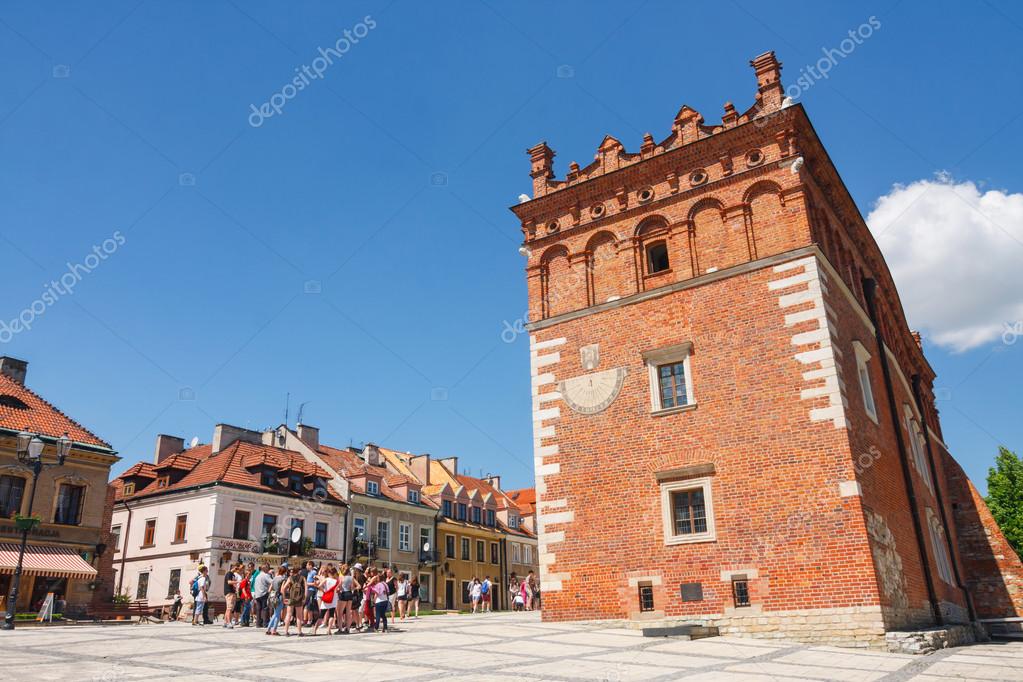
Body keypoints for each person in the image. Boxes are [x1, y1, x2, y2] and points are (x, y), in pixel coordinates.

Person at [312, 566, 338, 635]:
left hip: (326, 598)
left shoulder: (326, 579)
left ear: (329, 573)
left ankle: (315, 630)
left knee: (321, 615)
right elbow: (338, 590)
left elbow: (319, 586)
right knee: (331, 614)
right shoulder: (336, 581)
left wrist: (324, 591)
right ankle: (328, 630)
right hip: (333, 598)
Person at [282, 566, 305, 637]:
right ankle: (299, 632)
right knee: (299, 616)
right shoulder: (302, 578)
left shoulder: (290, 578)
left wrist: (284, 598)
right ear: (298, 571)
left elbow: (283, 589)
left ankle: (286, 632)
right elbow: (306, 588)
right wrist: (304, 598)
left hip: (290, 598)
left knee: (288, 614)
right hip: (299, 598)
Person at [265, 566, 286, 636]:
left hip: (273, 596)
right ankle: (273, 630)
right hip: (279, 597)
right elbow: (282, 590)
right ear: (284, 572)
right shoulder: (283, 579)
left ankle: (269, 629)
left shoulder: (274, 578)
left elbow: (269, 589)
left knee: (275, 613)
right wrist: (284, 598)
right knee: (277, 614)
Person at [253, 563, 272, 628]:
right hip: (264, 593)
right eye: (268, 568)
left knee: (258, 609)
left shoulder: (258, 576)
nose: (268, 569)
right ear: (265, 569)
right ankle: (265, 623)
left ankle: (258, 623)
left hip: (257, 594)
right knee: (265, 609)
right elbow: (272, 582)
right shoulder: (266, 575)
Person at [337, 564, 353, 633]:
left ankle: (340, 629)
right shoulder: (351, 578)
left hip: (343, 594)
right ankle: (348, 629)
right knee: (348, 612)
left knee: (340, 612)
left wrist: (338, 590)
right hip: (349, 594)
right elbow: (352, 587)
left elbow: (340, 587)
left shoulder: (341, 577)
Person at [223, 564, 239, 628]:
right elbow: (229, 582)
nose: (237, 569)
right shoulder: (229, 573)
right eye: (236, 568)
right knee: (229, 608)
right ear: (232, 567)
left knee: (229, 608)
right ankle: (229, 622)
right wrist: (238, 581)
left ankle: (225, 622)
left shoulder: (233, 574)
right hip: (229, 592)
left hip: (232, 592)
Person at [303, 561, 319, 627]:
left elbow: (316, 583)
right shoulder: (309, 573)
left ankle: (310, 621)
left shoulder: (314, 572)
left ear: (310, 566)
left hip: (312, 591)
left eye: (307, 565)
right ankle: (308, 620)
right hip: (308, 590)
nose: (306, 566)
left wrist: (307, 583)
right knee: (307, 605)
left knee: (309, 606)